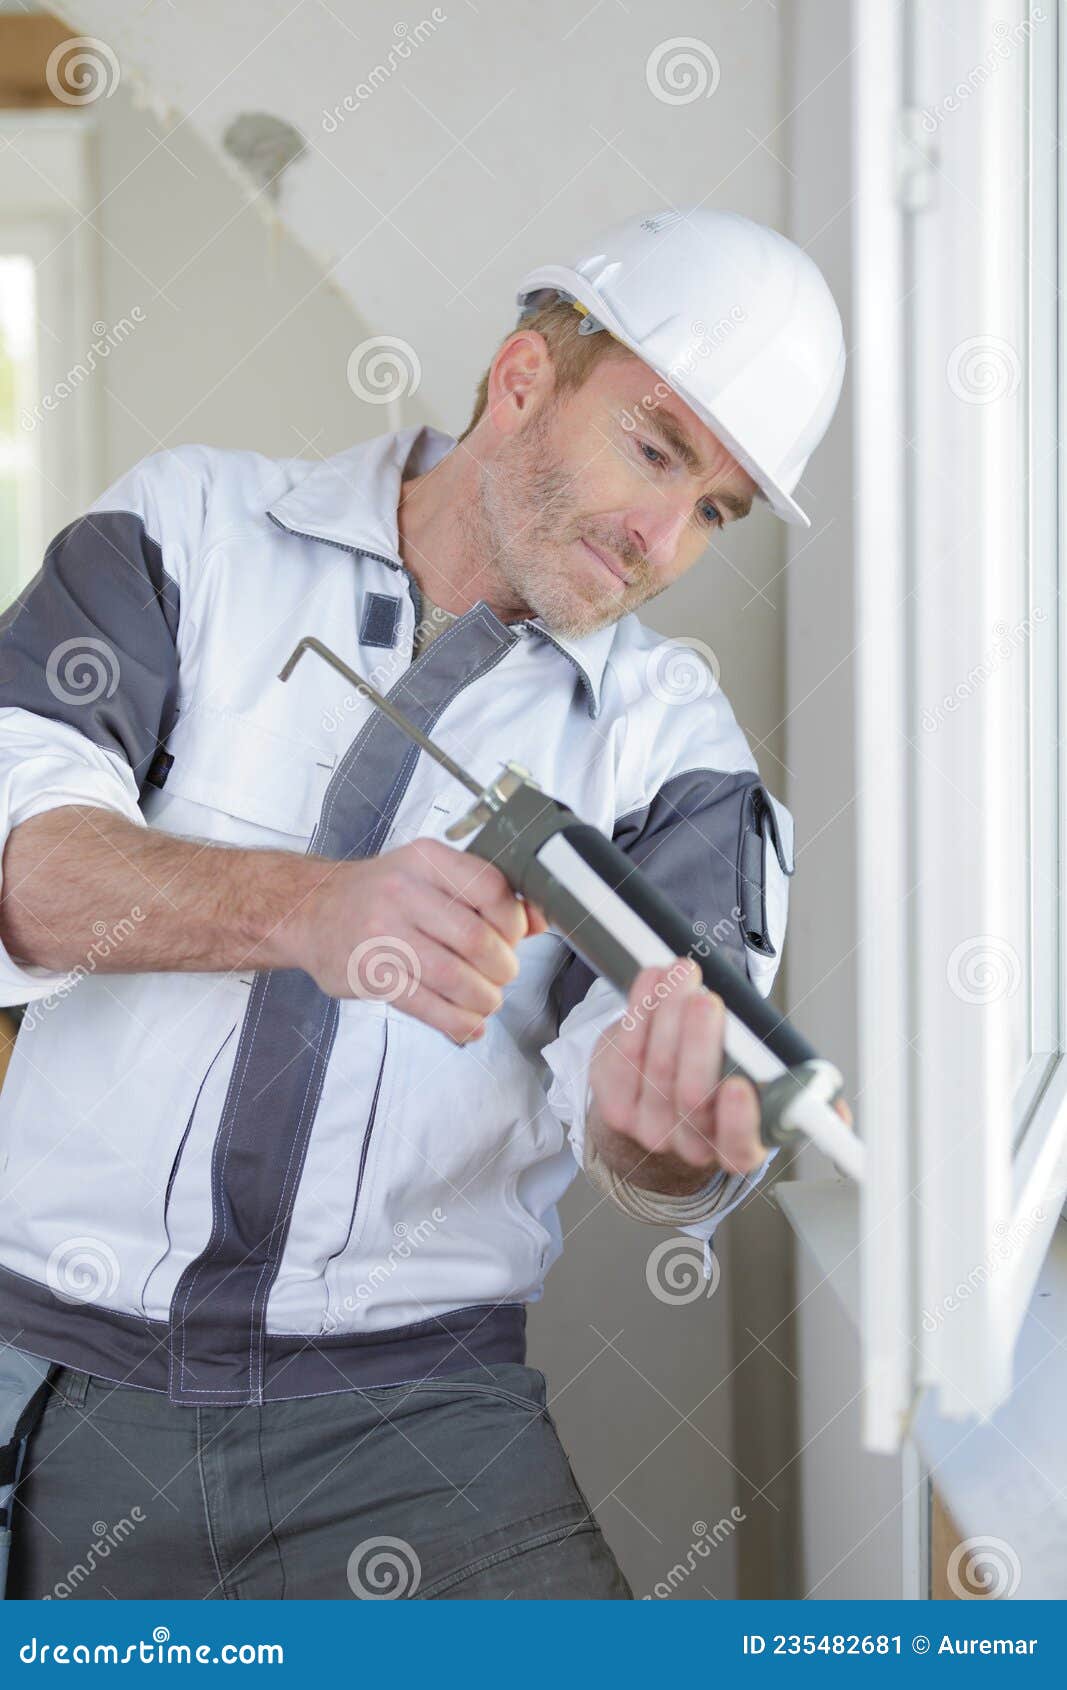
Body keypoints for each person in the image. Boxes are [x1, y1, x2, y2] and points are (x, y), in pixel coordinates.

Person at [0, 207, 848, 1599]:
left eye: (714, 511)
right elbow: (23, 871)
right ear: (522, 379)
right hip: (57, 1395)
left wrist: (662, 1136)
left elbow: (668, 1115)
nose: (661, 538)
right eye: (656, 450)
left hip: (418, 1433)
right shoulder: (187, 530)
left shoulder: (675, 750)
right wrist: (308, 908)